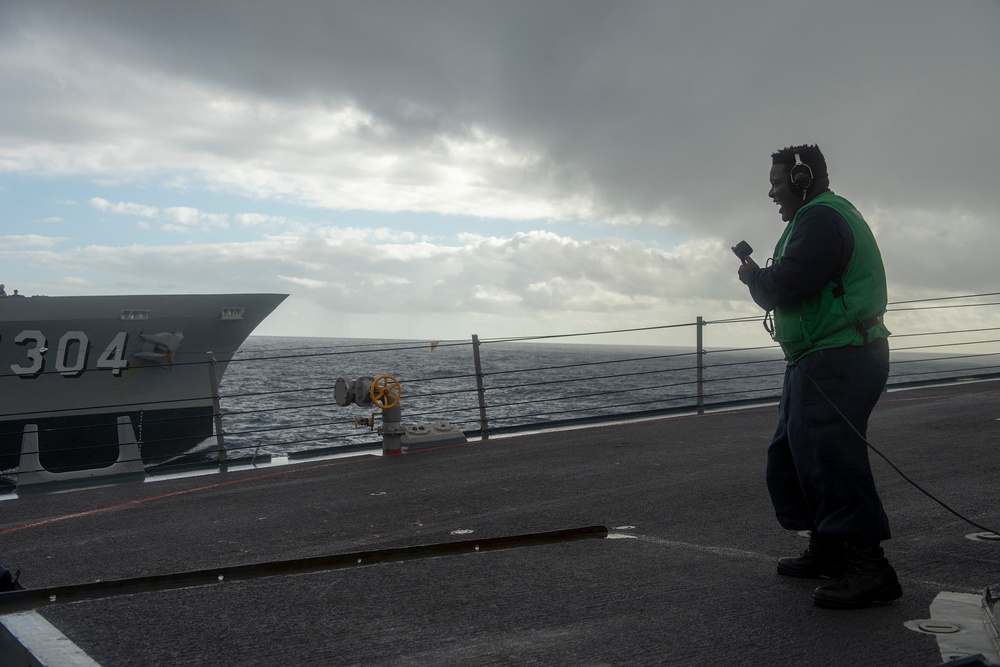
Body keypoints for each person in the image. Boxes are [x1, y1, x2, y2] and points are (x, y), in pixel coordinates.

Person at [737, 144, 901, 610]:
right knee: (793, 452)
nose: (771, 192)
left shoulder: (820, 218)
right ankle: (829, 546)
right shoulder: (815, 218)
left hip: (841, 355)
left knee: (831, 457)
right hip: (816, 357)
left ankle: (871, 567)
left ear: (803, 178)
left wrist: (753, 278)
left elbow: (786, 285)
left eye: (776, 182)